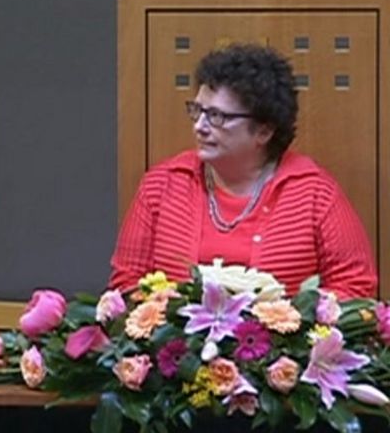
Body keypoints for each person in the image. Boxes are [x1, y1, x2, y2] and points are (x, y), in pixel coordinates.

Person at [109, 43, 376, 298]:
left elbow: (355, 287)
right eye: (198, 111)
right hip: (179, 344)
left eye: (217, 116)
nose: (199, 126)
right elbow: (126, 285)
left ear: (264, 131)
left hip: (277, 342)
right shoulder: (162, 184)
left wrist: (289, 318)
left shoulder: (315, 192)